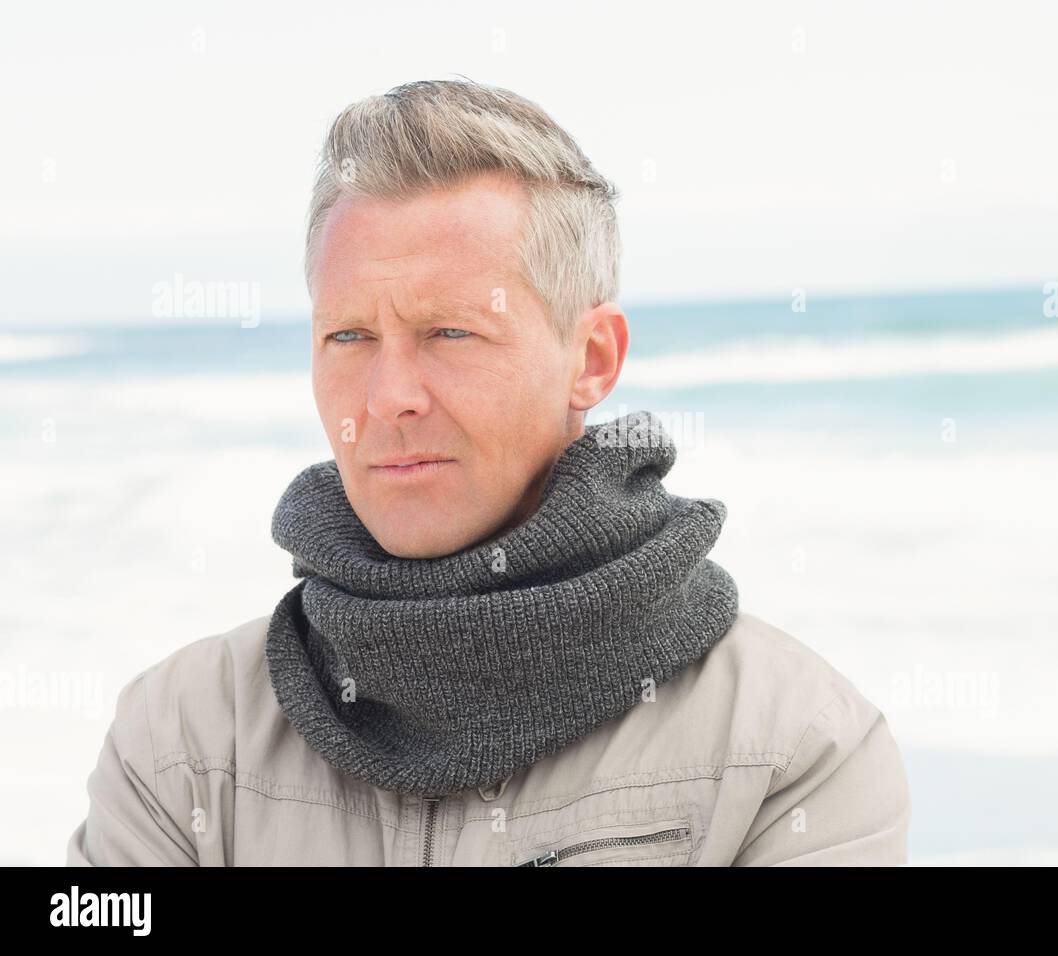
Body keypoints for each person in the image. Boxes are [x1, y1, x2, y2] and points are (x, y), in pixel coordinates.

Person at [66, 78, 910, 866]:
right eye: (349, 337)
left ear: (591, 357)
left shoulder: (794, 749)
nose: (390, 396)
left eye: (451, 334)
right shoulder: (179, 745)